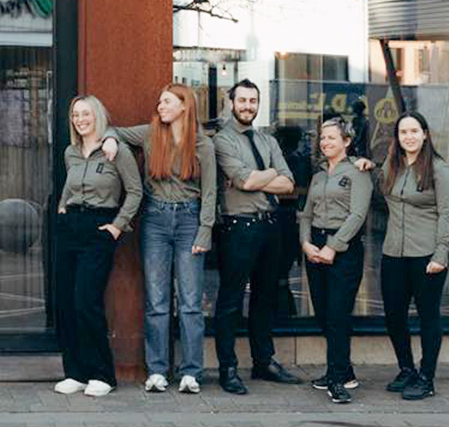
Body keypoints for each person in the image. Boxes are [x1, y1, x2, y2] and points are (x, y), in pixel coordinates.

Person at [102, 83, 215, 394]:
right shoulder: (151, 133)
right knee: (157, 300)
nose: (160, 106)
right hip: (154, 219)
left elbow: (210, 192)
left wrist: (205, 230)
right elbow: (114, 129)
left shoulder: (203, 144)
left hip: (190, 219)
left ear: (184, 106)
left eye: (167, 102)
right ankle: (157, 370)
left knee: (191, 302)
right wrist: (111, 139)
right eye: (160, 102)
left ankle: (191, 371)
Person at [211, 79, 302, 394]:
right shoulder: (222, 140)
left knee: (266, 297)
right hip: (238, 227)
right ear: (231, 101)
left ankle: (264, 362)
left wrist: (258, 179)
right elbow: (243, 180)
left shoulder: (268, 140)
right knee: (230, 300)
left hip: (270, 226)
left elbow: (288, 183)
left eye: (253, 101)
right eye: (243, 100)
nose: (248, 106)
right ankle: (228, 368)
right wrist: (265, 177)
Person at [52, 95, 142, 398]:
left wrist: (118, 226)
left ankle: (102, 374)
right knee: (65, 302)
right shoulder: (71, 152)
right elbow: (68, 185)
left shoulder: (116, 151)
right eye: (75, 114)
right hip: (70, 228)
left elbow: (135, 191)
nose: (80, 119)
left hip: (99, 229)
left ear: (97, 116)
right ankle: (75, 372)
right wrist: (63, 207)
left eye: (85, 113)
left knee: (85, 301)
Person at [379, 112, 449, 401]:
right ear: (397, 137)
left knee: (427, 317)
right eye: (402, 132)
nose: (408, 137)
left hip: (427, 255)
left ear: (425, 133)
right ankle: (407, 368)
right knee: (394, 316)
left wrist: (441, 254)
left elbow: (447, 214)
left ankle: (427, 377)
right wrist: (363, 164)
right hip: (393, 253)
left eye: (414, 131)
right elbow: (378, 185)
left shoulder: (439, 169)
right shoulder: (392, 166)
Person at [299, 117, 372, 405]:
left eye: (332, 137)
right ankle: (344, 369)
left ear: (347, 141)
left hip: (344, 251)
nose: (326, 142)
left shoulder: (358, 172)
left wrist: (333, 247)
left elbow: (357, 215)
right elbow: (305, 214)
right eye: (322, 138)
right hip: (315, 248)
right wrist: (305, 243)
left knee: (338, 314)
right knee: (323, 314)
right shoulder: (317, 176)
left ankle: (337, 380)